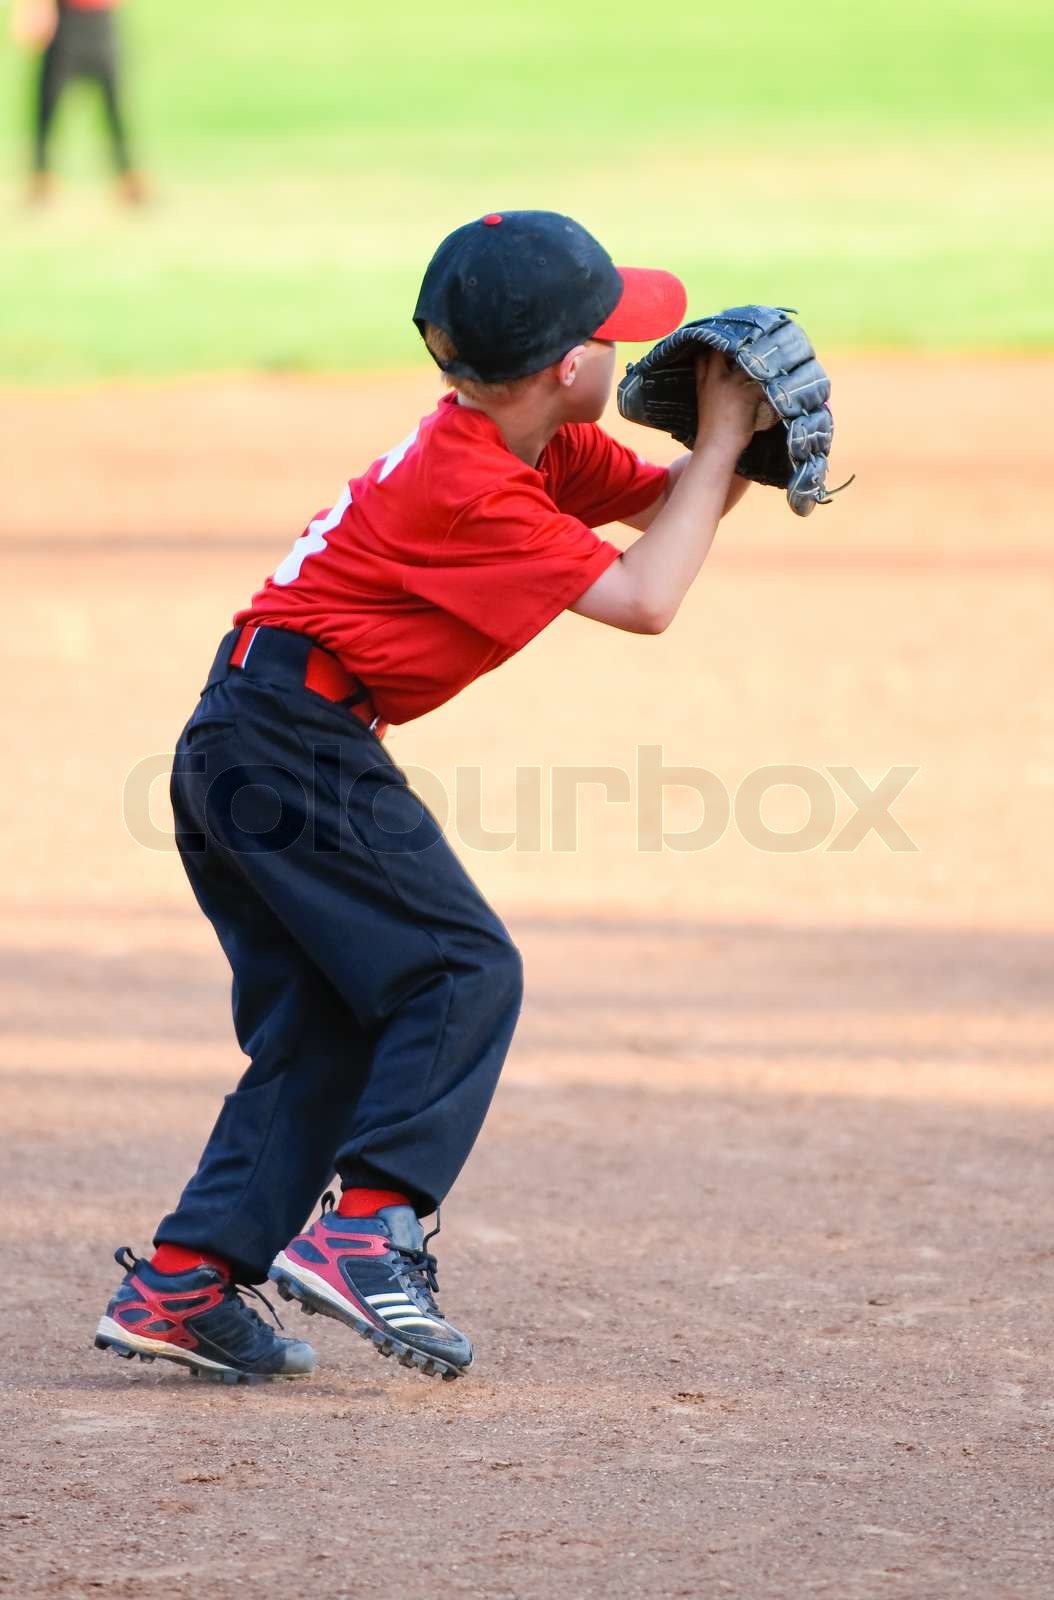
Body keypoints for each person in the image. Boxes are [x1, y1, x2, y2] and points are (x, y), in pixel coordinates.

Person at [94, 211, 762, 1384]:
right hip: (285, 739)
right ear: (568, 370)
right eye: (612, 334)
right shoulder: (470, 485)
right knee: (460, 967)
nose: (624, 347)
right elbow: (647, 598)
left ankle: (184, 1282)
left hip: (251, 731)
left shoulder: (523, 444)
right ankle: (368, 1226)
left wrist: (735, 448)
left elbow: (665, 510)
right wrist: (719, 434)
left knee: (328, 1024)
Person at [14, 0, 146, 204]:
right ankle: (40, 177)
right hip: (65, 18)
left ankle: (128, 177)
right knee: (48, 102)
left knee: (114, 105)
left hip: (101, 17)